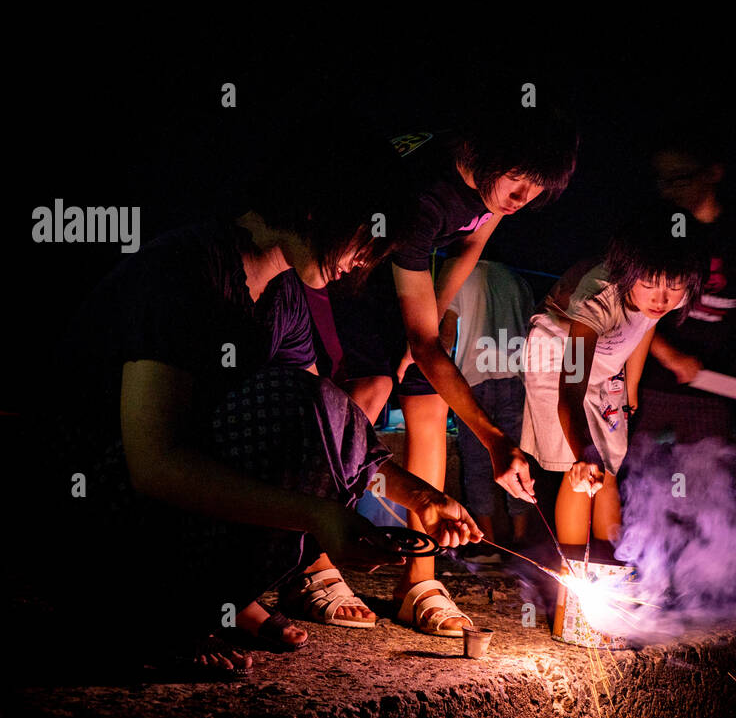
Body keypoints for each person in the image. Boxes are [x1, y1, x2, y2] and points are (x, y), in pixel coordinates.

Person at [56, 127, 484, 676]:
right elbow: (154, 465)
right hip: (98, 508)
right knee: (295, 400)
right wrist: (320, 515)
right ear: (316, 208)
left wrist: (419, 497)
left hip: (165, 505)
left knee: (322, 408)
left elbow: (331, 433)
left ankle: (219, 600)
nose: (360, 264)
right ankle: (145, 612)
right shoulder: (188, 269)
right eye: (363, 241)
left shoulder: (283, 295)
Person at [329, 97, 578, 632]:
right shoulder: (422, 192)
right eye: (518, 183)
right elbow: (420, 340)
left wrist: (433, 318)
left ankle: (420, 582)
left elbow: (468, 250)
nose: (522, 199)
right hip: (354, 279)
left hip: (413, 284)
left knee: (429, 403)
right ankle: (317, 565)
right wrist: (493, 438)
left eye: (536, 190)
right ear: (487, 152)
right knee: (366, 396)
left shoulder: (493, 190)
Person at [520, 209, 706, 546]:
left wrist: (631, 387)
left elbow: (644, 327)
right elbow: (571, 391)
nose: (660, 298)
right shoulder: (597, 300)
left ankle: (612, 569)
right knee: (579, 469)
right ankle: (572, 585)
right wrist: (582, 453)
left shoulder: (664, 292)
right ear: (627, 275)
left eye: (673, 288)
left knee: (608, 466)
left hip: (607, 364)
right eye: (648, 285)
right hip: (557, 358)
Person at [640, 134, 736, 442]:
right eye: (664, 181)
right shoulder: (658, 231)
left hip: (713, 381)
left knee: (707, 473)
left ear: (713, 173)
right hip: (652, 381)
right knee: (635, 469)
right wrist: (670, 356)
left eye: (680, 178)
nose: (671, 190)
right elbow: (631, 306)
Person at [439, 259, 536, 553]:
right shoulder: (518, 280)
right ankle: (521, 542)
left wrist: (436, 374)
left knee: (477, 462)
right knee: (518, 459)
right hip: (515, 377)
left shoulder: (461, 274)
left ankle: (488, 544)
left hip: (473, 378)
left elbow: (446, 332)